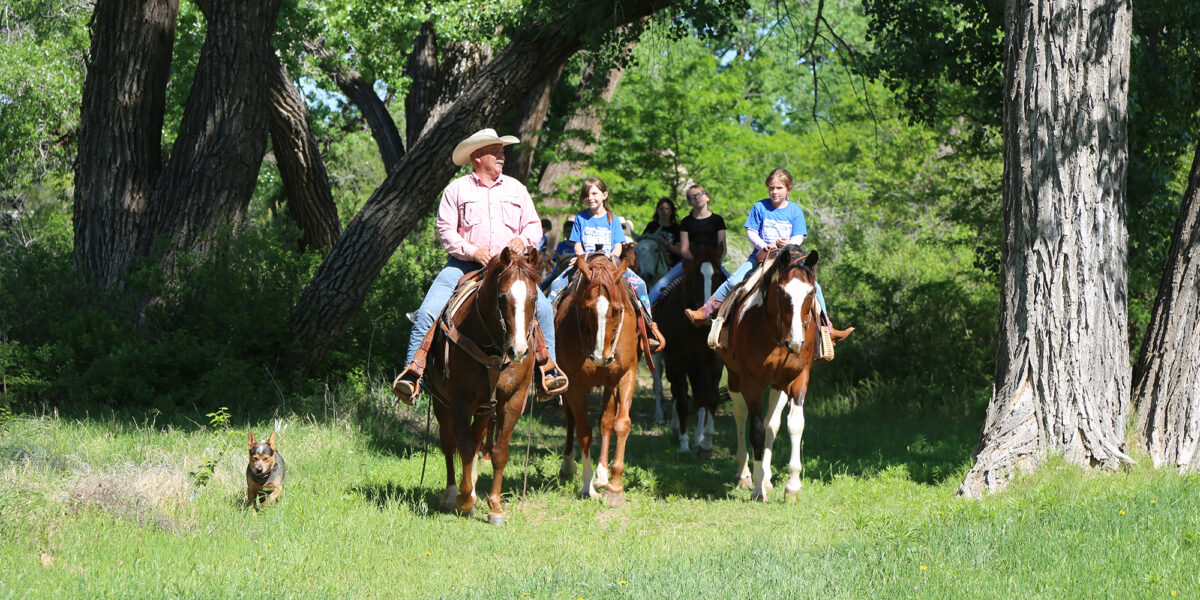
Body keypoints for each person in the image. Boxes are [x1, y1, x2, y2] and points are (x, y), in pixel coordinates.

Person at [393, 128, 568, 403]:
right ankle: (413, 374)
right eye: (495, 152)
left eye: (502, 152)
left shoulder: (516, 189)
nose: (501, 157)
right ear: (477, 157)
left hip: (511, 269)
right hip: (464, 266)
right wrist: (473, 251)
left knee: (544, 310)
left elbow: (533, 226)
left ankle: (547, 373)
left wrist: (522, 241)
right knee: (428, 311)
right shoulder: (456, 190)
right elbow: (446, 230)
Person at [684, 168, 851, 355]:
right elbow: (751, 232)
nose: (774, 192)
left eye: (779, 188)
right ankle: (705, 312)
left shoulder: (795, 211)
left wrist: (789, 243)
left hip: (788, 260)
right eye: (771, 188)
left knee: (815, 288)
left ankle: (828, 328)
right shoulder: (760, 207)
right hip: (762, 257)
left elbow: (799, 236)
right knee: (733, 281)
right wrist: (764, 245)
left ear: (788, 189)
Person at [547, 176, 666, 351]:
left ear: (604, 195)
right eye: (586, 195)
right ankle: (547, 332)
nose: (590, 198)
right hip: (587, 264)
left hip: (609, 264)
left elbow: (618, 246)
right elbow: (578, 244)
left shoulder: (613, 219)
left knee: (640, 285)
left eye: (594, 193)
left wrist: (611, 258)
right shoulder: (580, 218)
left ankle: (649, 329)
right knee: (556, 285)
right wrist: (581, 256)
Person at [648, 184, 727, 305]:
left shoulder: (717, 220)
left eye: (699, 194)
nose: (697, 198)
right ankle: (648, 315)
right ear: (689, 203)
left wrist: (714, 261)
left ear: (707, 197)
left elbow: (723, 247)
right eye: (692, 197)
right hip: (690, 261)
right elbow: (684, 249)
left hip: (714, 262)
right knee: (659, 286)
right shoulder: (686, 222)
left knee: (734, 285)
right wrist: (698, 260)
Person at [641, 197, 683, 268]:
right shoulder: (651, 226)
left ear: (671, 211)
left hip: (671, 263)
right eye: (661, 209)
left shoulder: (676, 228)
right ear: (657, 210)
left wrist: (664, 242)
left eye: (667, 209)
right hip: (651, 262)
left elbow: (679, 250)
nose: (664, 211)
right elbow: (642, 243)